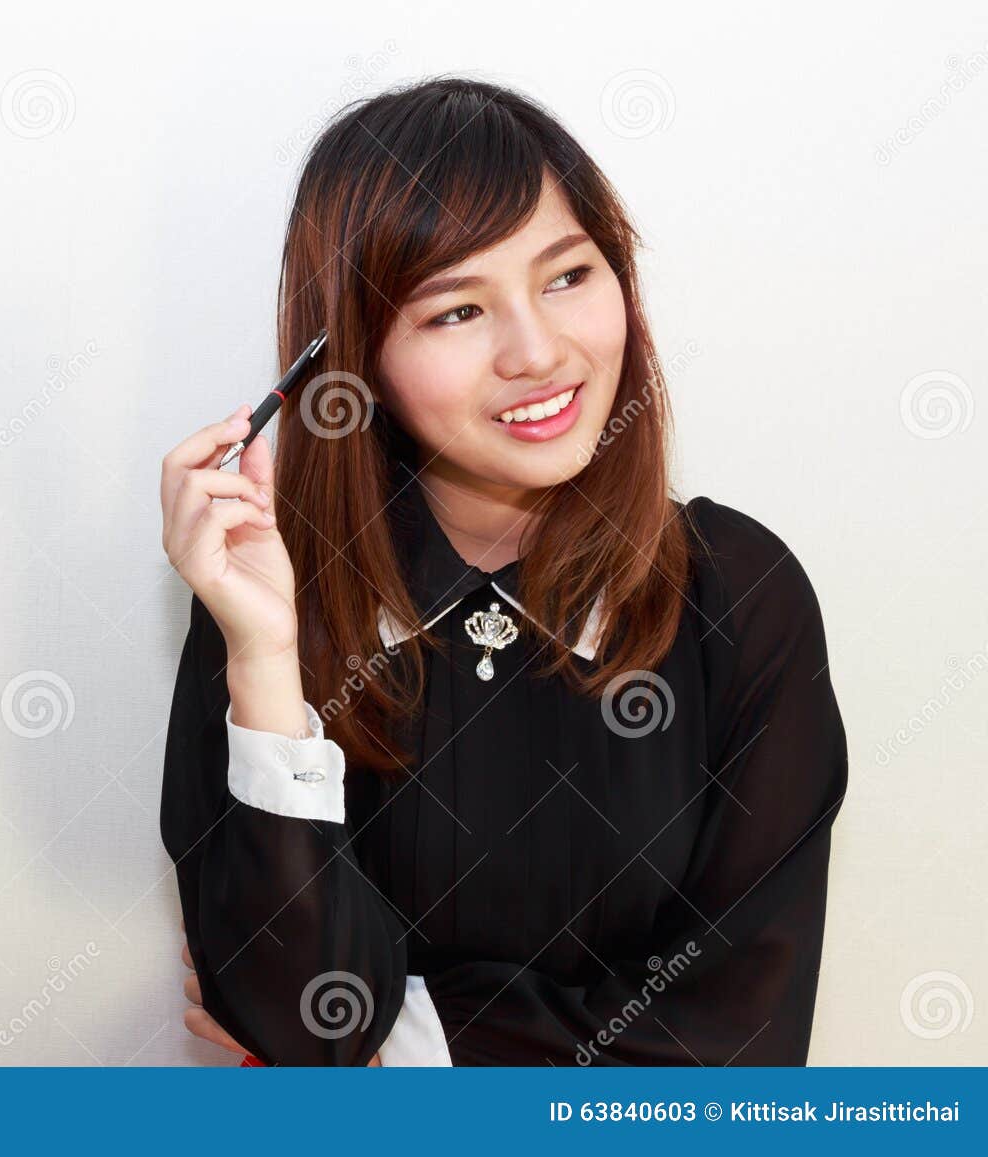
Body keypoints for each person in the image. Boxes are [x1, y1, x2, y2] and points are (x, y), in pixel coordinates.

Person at [157, 76, 848, 1066]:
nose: (537, 351)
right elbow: (296, 1012)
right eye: (455, 311)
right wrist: (265, 659)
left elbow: (735, 1047)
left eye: (568, 276)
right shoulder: (268, 593)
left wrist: (402, 1044)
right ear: (358, 361)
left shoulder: (738, 592)